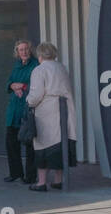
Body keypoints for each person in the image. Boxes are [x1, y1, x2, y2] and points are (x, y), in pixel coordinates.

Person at [26, 42, 77, 192]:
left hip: (46, 112)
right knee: (61, 144)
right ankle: (58, 180)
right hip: (65, 110)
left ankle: (41, 182)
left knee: (44, 146)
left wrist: (28, 101)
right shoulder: (61, 68)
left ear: (40, 55)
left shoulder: (39, 70)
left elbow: (36, 95)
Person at [4, 40, 39, 183]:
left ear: (30, 50)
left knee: (30, 144)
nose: (23, 52)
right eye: (20, 50)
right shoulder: (17, 65)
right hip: (13, 110)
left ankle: (30, 176)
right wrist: (13, 85)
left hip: (27, 109)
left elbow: (36, 85)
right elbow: (8, 82)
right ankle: (15, 173)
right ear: (17, 52)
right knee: (11, 143)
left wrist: (23, 86)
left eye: (26, 49)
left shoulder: (35, 65)